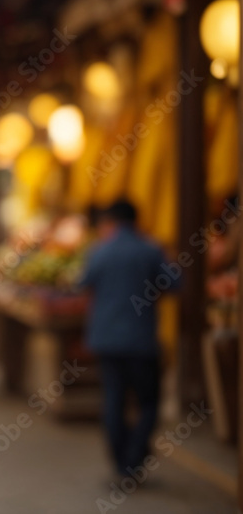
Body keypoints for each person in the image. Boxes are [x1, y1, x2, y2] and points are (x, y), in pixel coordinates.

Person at [79, 199, 175, 478]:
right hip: (141, 340)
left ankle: (122, 462)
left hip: (106, 339)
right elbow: (174, 283)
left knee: (113, 400)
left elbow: (82, 283)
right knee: (148, 402)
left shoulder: (99, 250)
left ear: (110, 221)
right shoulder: (150, 249)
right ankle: (134, 456)